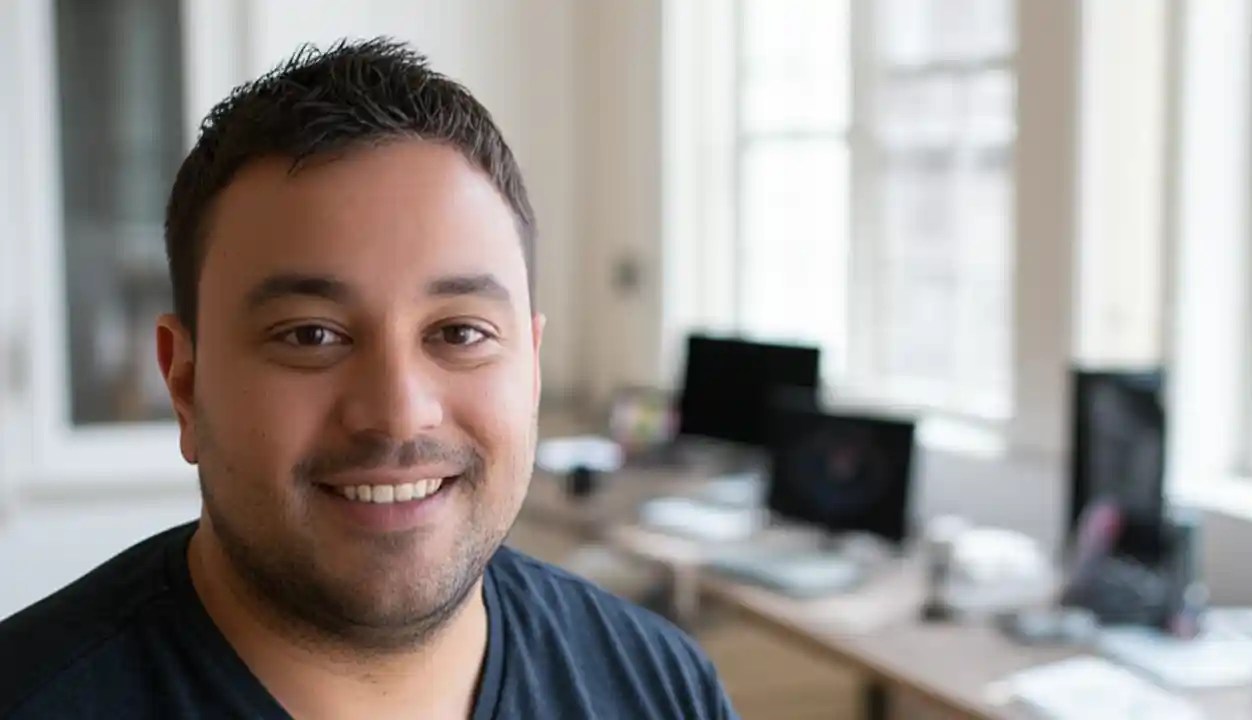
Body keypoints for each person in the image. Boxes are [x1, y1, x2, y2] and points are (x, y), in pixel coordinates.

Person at [0, 38, 737, 720]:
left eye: (459, 333)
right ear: (186, 383)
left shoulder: (661, 689)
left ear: (532, 369)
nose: (398, 413)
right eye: (311, 335)